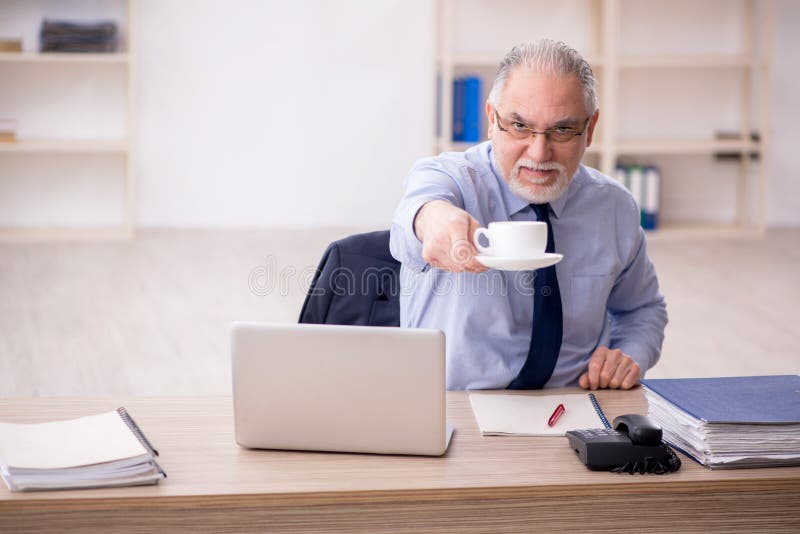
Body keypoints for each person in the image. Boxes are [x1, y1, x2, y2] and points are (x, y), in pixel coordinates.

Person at [389, 39, 667, 391]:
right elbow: (415, 216)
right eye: (519, 126)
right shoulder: (449, 178)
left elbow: (643, 310)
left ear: (590, 129)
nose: (538, 153)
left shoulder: (614, 208)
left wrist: (629, 354)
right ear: (492, 120)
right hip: (455, 405)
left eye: (562, 130)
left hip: (573, 401)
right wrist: (432, 219)